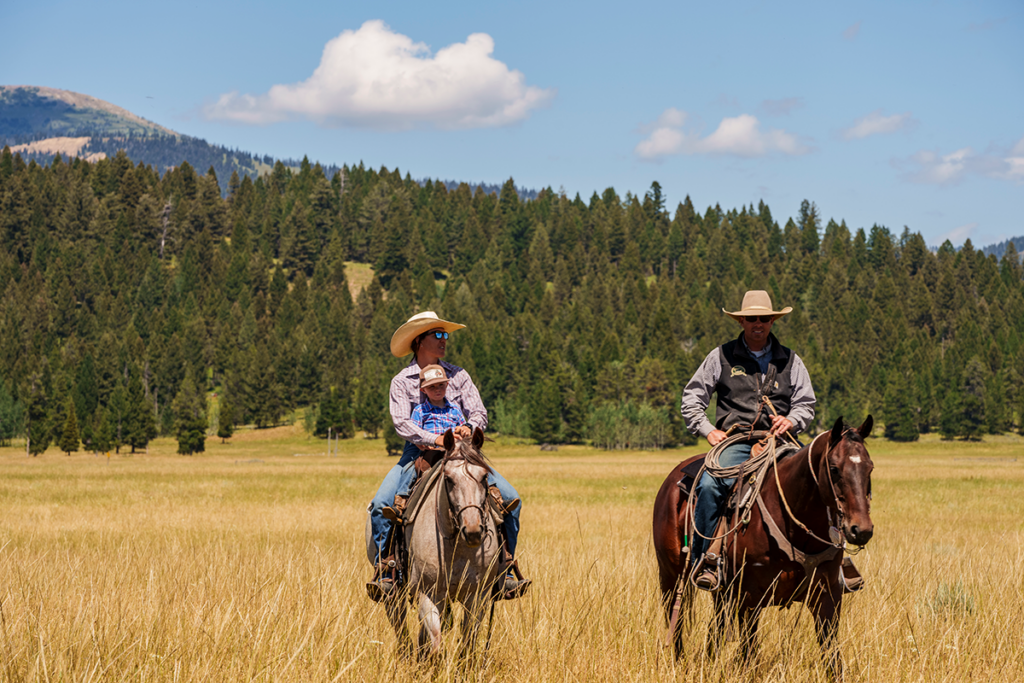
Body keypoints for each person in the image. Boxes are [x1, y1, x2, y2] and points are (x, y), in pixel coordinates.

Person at [366, 311, 530, 602]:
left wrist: (469, 427)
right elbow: (402, 423)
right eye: (437, 335)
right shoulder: (402, 381)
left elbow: (479, 412)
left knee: (510, 499)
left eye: (445, 335)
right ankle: (387, 570)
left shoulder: (459, 375)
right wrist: (436, 439)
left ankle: (504, 569)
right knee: (381, 504)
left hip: (463, 453)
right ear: (419, 341)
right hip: (418, 453)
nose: (444, 340)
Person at [680, 290, 816, 591]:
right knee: (710, 484)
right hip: (737, 440)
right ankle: (706, 561)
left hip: (782, 441)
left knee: (824, 478)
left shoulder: (790, 360)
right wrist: (708, 430)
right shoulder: (720, 357)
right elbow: (691, 400)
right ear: (741, 320)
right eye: (752, 318)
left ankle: (835, 560)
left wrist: (791, 420)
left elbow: (806, 404)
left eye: (765, 318)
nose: (758, 323)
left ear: (772, 321)